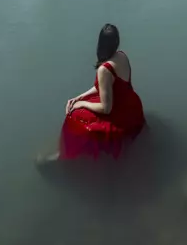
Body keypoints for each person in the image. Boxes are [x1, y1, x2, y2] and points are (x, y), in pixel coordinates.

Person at [45, 24, 145, 163]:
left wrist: (82, 104)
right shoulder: (121, 55)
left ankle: (64, 156)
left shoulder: (104, 70)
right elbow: (105, 86)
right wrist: (80, 97)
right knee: (78, 105)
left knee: (73, 116)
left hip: (120, 114)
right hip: (133, 106)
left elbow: (106, 108)